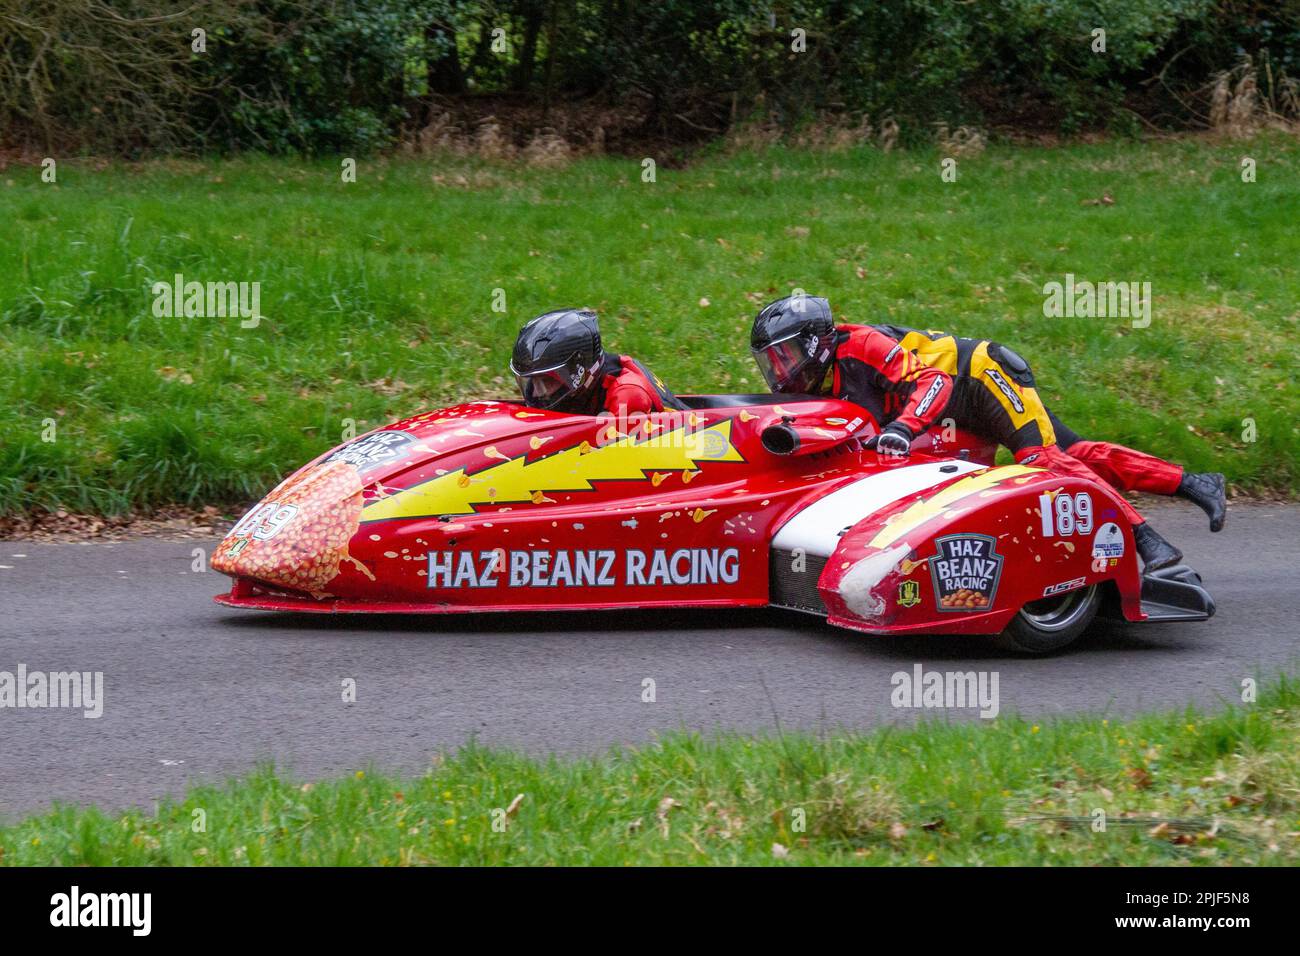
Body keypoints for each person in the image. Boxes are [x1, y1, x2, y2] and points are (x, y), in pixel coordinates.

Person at [749, 294, 1226, 571]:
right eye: (770, 362)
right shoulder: (821, 382)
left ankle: (1147, 542)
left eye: (784, 356)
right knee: (1078, 450)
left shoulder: (863, 345)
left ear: (814, 344)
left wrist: (902, 428)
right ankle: (1197, 484)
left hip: (980, 380)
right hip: (949, 408)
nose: (778, 371)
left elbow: (934, 381)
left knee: (1044, 461)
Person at [511, 308, 686, 416]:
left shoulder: (628, 396)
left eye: (548, 380)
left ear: (579, 371)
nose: (537, 393)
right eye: (533, 381)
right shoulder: (587, 387)